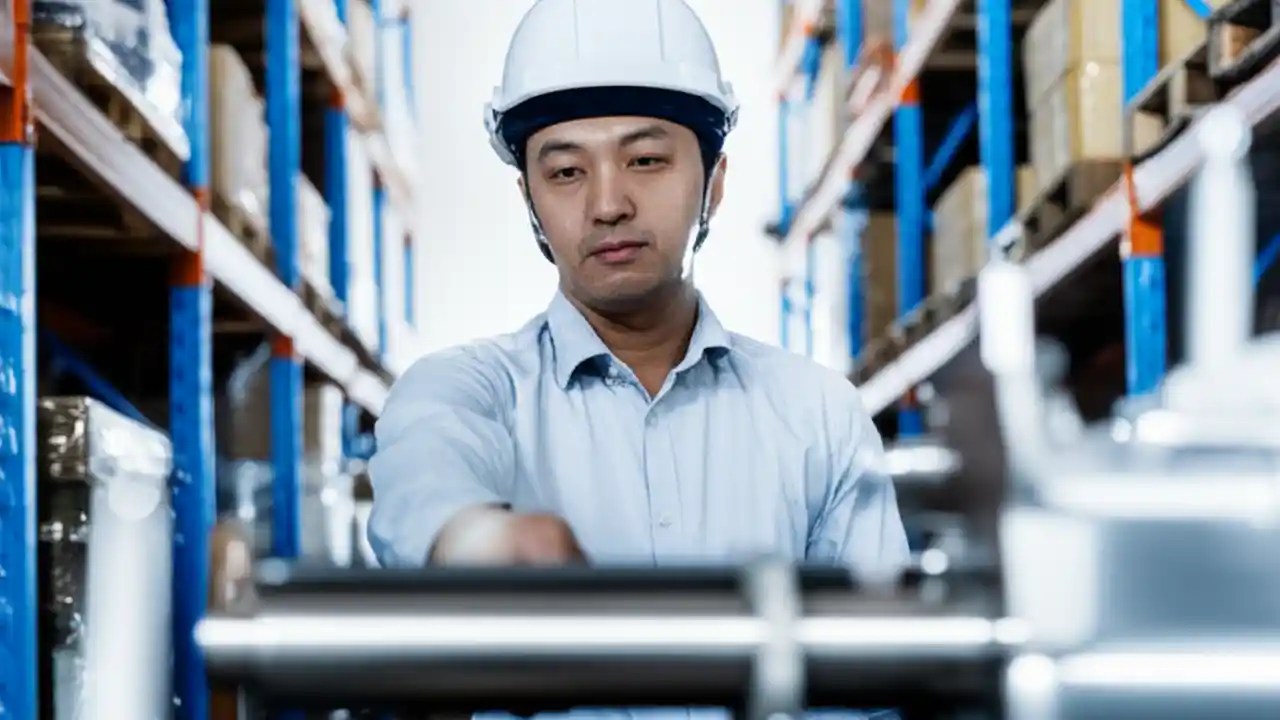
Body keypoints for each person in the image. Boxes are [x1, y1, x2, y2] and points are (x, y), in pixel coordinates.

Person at [368, 0, 908, 582]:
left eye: (646, 160)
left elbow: (885, 643)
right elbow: (424, 478)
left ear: (714, 183)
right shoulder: (470, 391)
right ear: (530, 201)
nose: (607, 206)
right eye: (567, 172)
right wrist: (480, 539)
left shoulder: (819, 417)